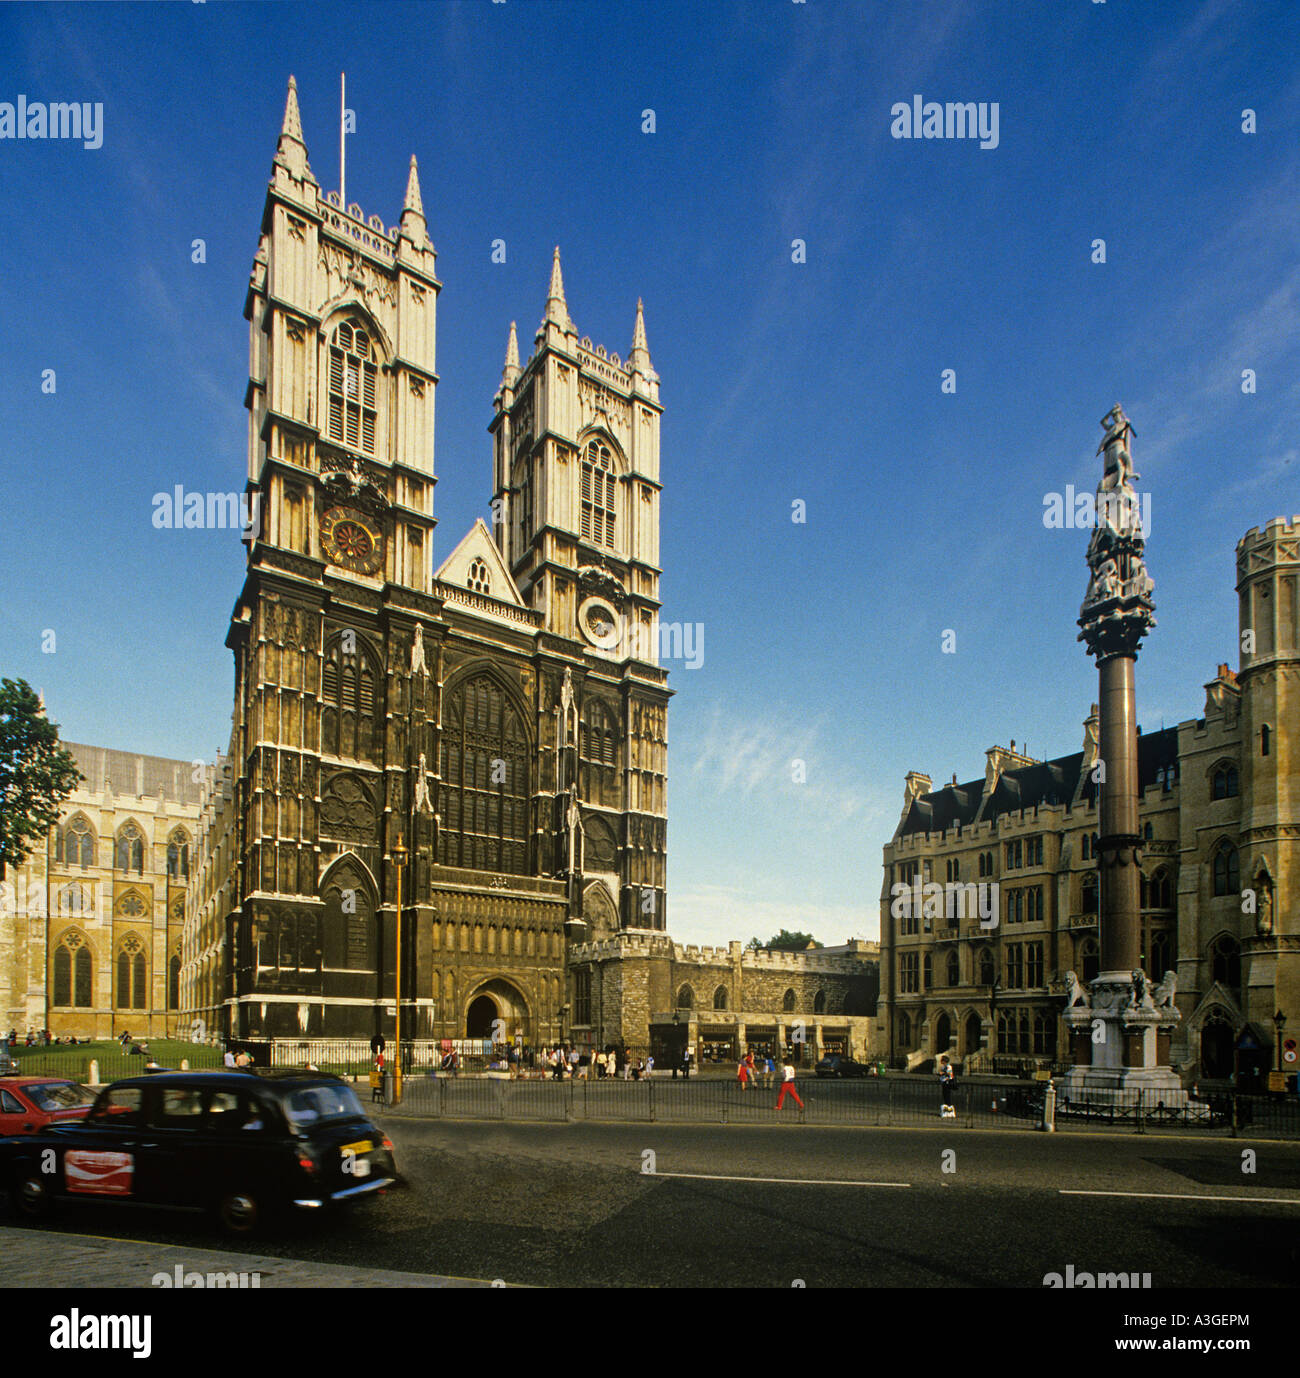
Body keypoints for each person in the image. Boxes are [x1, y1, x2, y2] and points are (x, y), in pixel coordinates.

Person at [938, 1054, 956, 1119]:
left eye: (941, 1060)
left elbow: (948, 1074)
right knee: (944, 1095)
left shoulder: (948, 1066)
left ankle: (949, 1107)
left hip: (947, 1082)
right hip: (943, 1082)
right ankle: (946, 1107)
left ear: (944, 1061)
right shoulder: (943, 1067)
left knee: (948, 1095)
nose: (940, 1061)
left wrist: (942, 1073)